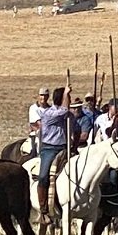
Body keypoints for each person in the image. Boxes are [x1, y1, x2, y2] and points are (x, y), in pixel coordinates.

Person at [35, 86, 72, 224]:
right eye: (66, 98)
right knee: (43, 176)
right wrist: (66, 94)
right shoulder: (48, 113)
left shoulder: (66, 115)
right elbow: (64, 110)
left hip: (64, 147)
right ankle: (43, 210)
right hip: (49, 148)